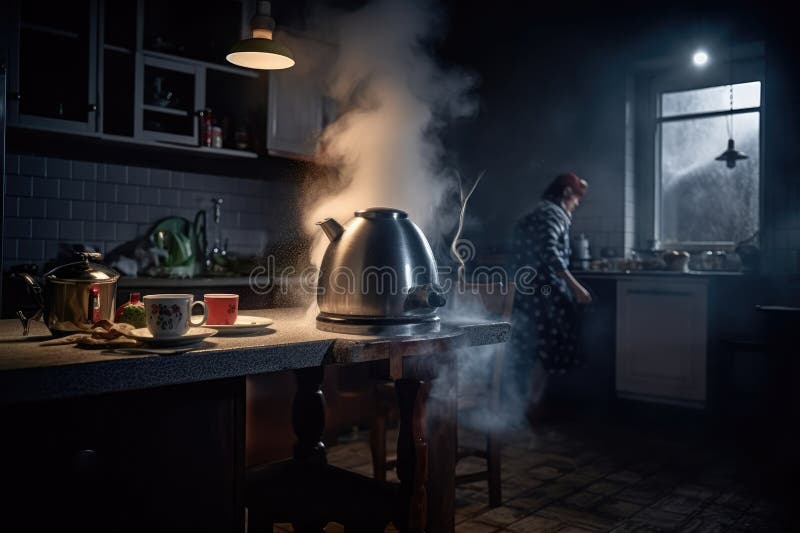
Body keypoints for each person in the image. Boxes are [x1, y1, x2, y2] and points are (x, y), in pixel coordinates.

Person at [505, 172, 592, 424]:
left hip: (525, 291)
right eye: (576, 199)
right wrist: (576, 287)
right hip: (542, 294)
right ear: (566, 193)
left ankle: (519, 406)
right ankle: (533, 406)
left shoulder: (537, 212)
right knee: (543, 351)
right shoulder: (553, 213)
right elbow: (549, 250)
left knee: (527, 349)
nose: (576, 205)